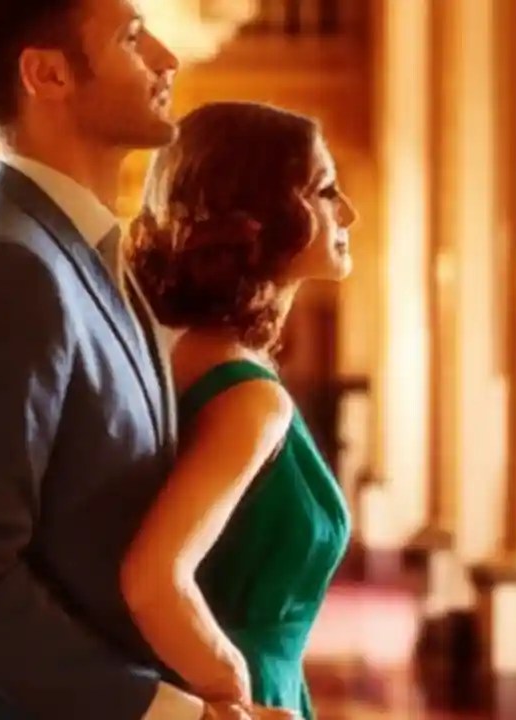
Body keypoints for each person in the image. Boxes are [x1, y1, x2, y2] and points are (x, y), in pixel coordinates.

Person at [0, 1, 288, 718]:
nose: (167, 58)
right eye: (132, 39)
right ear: (47, 75)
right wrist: (170, 715)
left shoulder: (72, 250)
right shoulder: (5, 268)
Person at [120, 102, 359, 720]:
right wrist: (232, 687)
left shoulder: (195, 355)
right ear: (260, 218)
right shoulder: (248, 397)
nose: (348, 213)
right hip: (241, 694)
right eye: (326, 190)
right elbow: (152, 577)